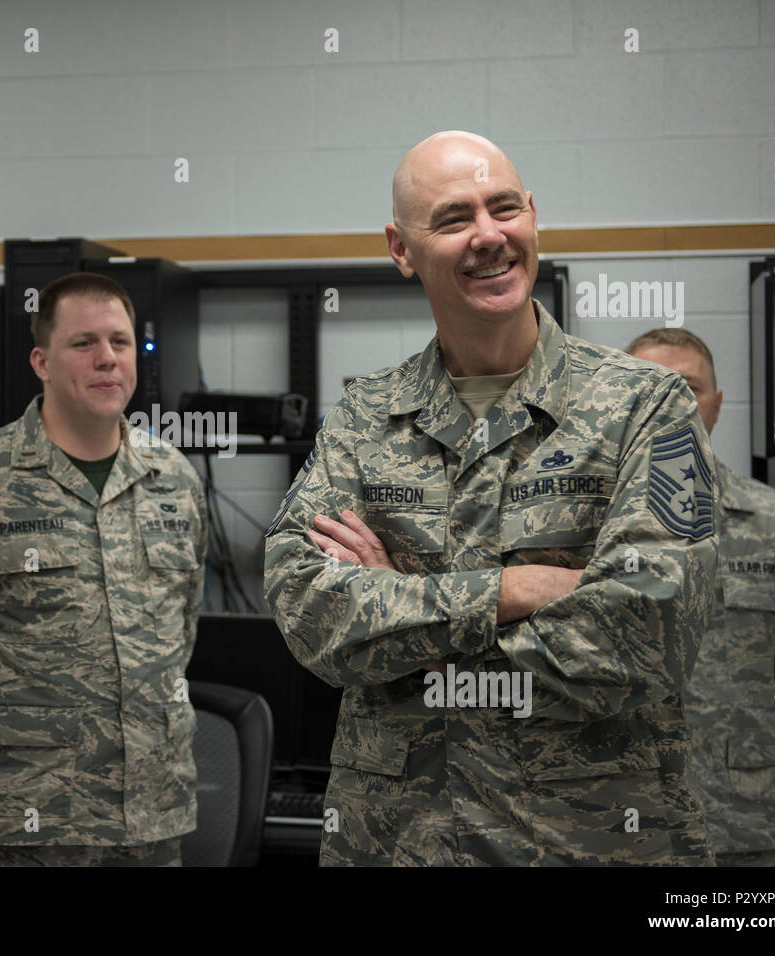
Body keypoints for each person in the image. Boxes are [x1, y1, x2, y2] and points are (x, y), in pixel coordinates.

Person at [264, 130, 719, 865]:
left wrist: (403, 610)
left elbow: (648, 632)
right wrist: (510, 590)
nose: (488, 235)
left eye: (504, 207)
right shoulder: (363, 415)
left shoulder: (645, 405)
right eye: (452, 218)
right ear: (400, 248)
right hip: (398, 843)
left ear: (532, 217)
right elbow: (308, 611)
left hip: (589, 840)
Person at [0, 272, 208, 866]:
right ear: (42, 362)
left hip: (151, 813)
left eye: (120, 343)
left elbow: (184, 629)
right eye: (84, 344)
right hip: (21, 820)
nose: (107, 360)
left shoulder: (173, 479)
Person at [627, 328, 775, 866]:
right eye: (649, 387)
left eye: (688, 388)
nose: (672, 403)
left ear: (717, 403)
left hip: (747, 823)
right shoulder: (577, 525)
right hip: (616, 826)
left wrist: (749, 742)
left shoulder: (773, 520)